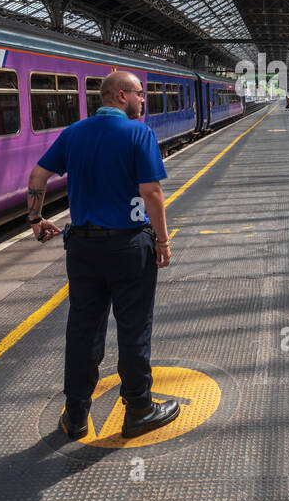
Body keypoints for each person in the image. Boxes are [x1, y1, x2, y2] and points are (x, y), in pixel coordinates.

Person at [26, 70, 179, 441]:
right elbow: (151, 193)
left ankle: (76, 413)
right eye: (140, 94)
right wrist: (162, 240)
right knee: (133, 327)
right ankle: (139, 409)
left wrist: (35, 219)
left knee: (82, 329)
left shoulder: (74, 133)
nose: (144, 101)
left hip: (82, 249)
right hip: (128, 247)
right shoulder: (138, 133)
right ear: (122, 95)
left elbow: (37, 177)